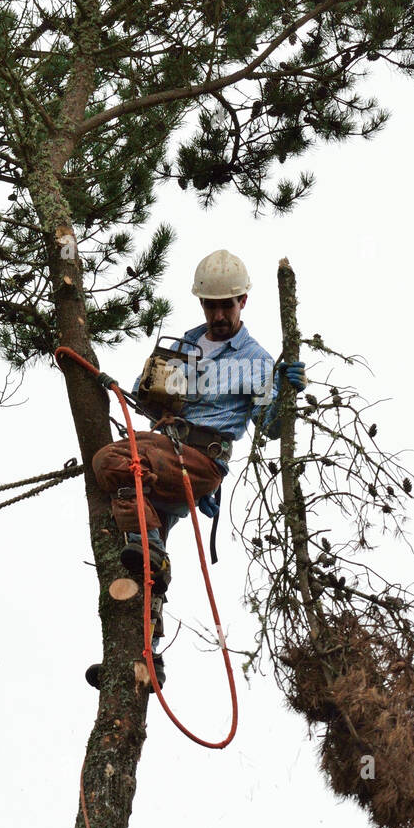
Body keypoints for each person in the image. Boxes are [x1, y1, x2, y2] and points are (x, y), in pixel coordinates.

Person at [87, 250, 305, 690]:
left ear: (243, 300)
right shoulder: (184, 342)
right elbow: (144, 398)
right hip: (158, 453)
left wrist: (286, 394)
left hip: (200, 460)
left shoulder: (258, 362)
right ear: (202, 304)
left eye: (227, 304)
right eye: (212, 305)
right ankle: (145, 659)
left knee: (110, 461)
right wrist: (138, 390)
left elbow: (271, 428)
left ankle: (152, 552)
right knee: (132, 565)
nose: (220, 313)